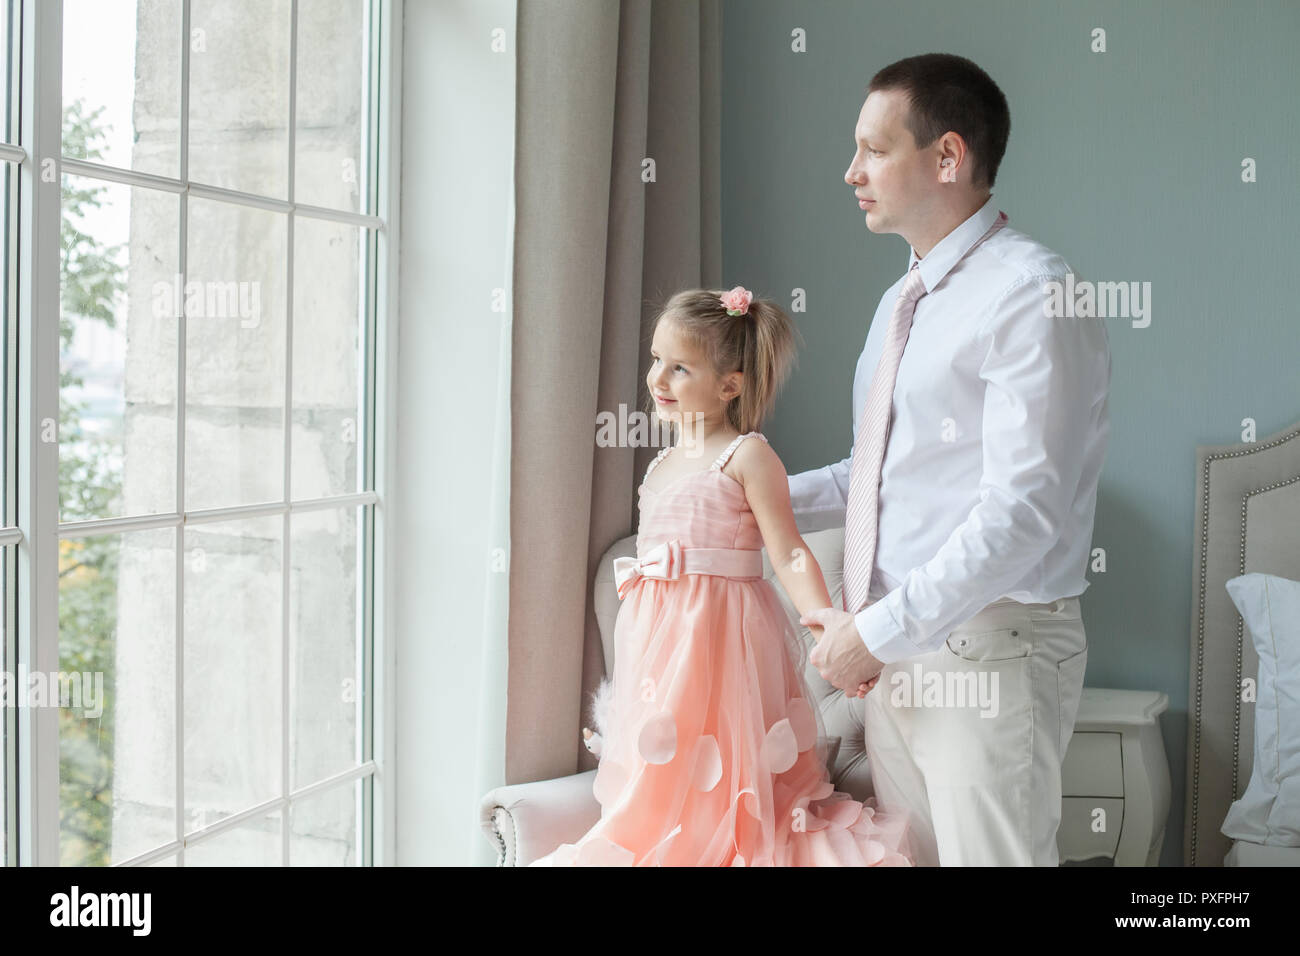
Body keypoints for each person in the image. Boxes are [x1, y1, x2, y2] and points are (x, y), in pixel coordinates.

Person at [791, 53, 1111, 865]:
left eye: (873, 149)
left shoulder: (1032, 292)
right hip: (900, 649)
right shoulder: (901, 301)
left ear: (947, 157)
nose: (850, 170)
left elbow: (1022, 515)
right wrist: (743, 493)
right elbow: (871, 476)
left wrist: (877, 632)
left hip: (986, 649)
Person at [530, 286, 912, 866]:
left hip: (719, 644)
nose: (659, 378)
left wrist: (827, 628)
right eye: (656, 359)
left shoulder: (746, 456)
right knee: (663, 767)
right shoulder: (662, 460)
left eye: (680, 368)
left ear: (729, 385)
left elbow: (788, 554)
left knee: (722, 767)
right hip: (657, 644)